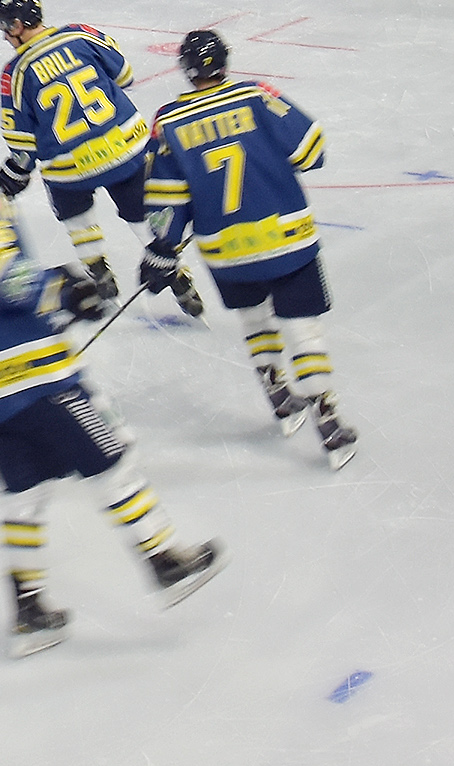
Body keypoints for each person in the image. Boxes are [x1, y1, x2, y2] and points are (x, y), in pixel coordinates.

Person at [0, 126, 222, 656]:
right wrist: (62, 290)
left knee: (27, 494)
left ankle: (29, 610)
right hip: (37, 379)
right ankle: (163, 560)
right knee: (114, 462)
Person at [138, 30, 357, 468]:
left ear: (186, 70)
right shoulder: (257, 96)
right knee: (301, 327)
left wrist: (161, 249)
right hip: (285, 236)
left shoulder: (168, 121)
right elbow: (312, 149)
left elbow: (165, 196)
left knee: (255, 316)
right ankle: (327, 419)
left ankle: (279, 394)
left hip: (226, 251)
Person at [0, 0, 156, 295]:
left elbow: (22, 142)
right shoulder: (81, 35)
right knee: (140, 211)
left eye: (4, 27)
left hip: (71, 167)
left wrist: (17, 171)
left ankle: (99, 271)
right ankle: (172, 268)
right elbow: (126, 76)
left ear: (17, 25)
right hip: (126, 147)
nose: (4, 35)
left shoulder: (15, 72)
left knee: (74, 211)